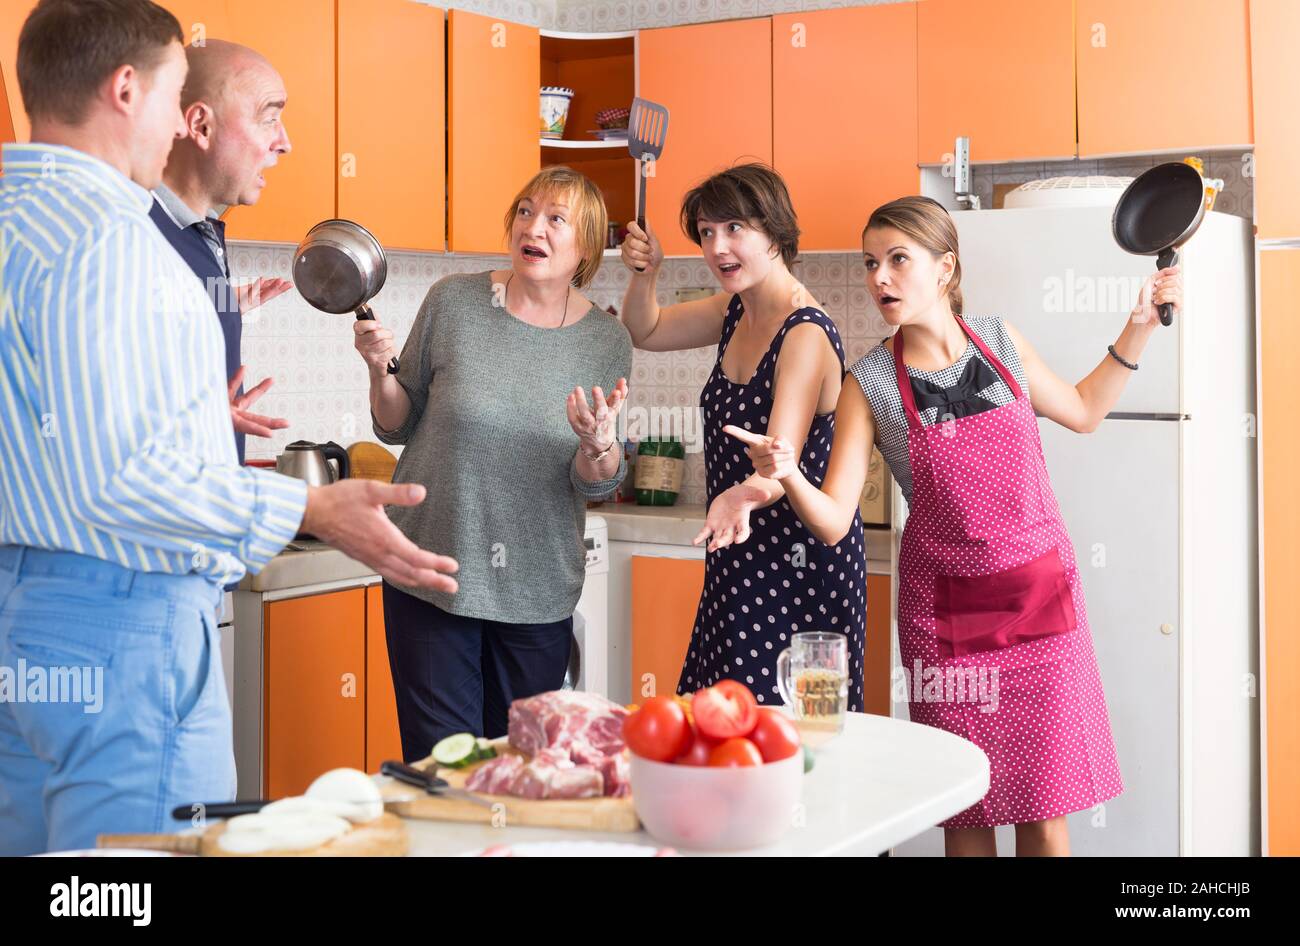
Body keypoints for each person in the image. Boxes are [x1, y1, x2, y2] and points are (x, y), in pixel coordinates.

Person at [0, 0, 457, 855]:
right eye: (177, 95)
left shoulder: (14, 218)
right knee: (131, 881)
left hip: (20, 616)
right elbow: (121, 477)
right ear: (127, 89)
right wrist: (307, 511)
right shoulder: (116, 241)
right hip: (123, 627)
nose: (181, 124)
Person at [728, 195, 1184, 856]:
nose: (878, 277)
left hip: (1042, 606)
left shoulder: (1001, 342)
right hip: (948, 626)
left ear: (945, 269)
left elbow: (1084, 410)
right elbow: (831, 522)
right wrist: (789, 472)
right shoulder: (871, 383)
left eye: (896, 260)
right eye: (869, 263)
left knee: (1044, 808)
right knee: (966, 809)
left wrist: (1138, 325)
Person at [354, 165, 632, 760]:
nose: (535, 227)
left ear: (584, 246)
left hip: (536, 586)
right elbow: (398, 422)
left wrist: (596, 445)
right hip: (430, 570)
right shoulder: (454, 301)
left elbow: (600, 479)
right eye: (526, 212)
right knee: (443, 767)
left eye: (557, 219)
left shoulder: (605, 342)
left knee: (525, 767)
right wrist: (381, 372)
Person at [619, 163, 866, 708]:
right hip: (737, 547)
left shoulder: (804, 332)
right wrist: (646, 273)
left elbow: (780, 464)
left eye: (734, 228)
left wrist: (737, 494)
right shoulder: (736, 309)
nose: (716, 246)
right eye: (706, 232)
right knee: (723, 730)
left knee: (790, 743)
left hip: (797, 565)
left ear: (775, 231)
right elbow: (646, 330)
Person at [149, 37, 295, 463]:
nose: (285, 143)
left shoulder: (202, 232)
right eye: (269, 120)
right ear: (201, 126)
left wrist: (220, 307)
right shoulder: (129, 232)